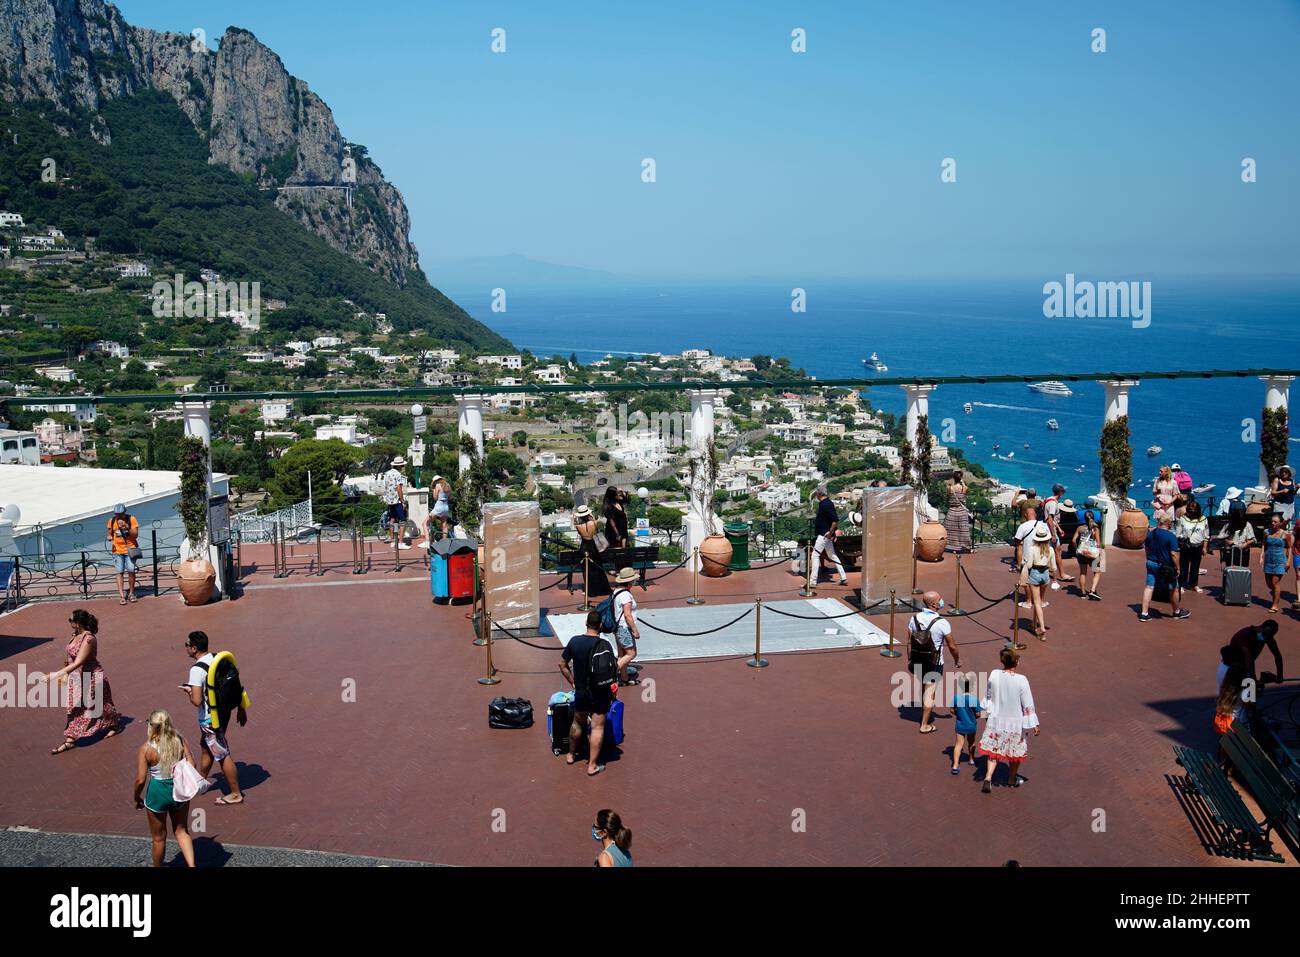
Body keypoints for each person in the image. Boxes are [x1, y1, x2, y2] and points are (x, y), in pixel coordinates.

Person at [183, 631, 245, 805]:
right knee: (206, 748)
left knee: (221, 753)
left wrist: (189, 692)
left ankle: (235, 793)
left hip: (210, 718)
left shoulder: (196, 670)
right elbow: (235, 684)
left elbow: (196, 701)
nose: (186, 648)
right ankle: (200, 782)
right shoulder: (218, 658)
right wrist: (241, 707)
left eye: (187, 645)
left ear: (194, 648)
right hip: (223, 712)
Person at [49, 609, 123, 754]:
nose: (68, 622)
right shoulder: (75, 635)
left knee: (101, 706)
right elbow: (71, 657)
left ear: (77, 623)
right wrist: (65, 672)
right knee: (73, 707)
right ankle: (70, 739)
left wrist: (55, 675)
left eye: (70, 620)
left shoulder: (89, 639)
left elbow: (79, 662)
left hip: (91, 677)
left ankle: (114, 725)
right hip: (76, 678)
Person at [133, 709, 197, 867]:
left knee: (158, 838)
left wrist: (136, 797)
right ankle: (192, 865)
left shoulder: (146, 749)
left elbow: (140, 780)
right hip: (178, 790)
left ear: (151, 726)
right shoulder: (179, 740)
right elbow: (192, 764)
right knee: (182, 831)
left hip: (157, 793)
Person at [558, 609, 615, 777]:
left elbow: (562, 664)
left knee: (577, 723)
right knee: (597, 728)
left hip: (581, 691)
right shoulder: (605, 645)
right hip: (600, 692)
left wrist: (573, 682)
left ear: (586, 623)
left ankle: (570, 755)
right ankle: (592, 765)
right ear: (601, 626)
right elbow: (611, 670)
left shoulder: (575, 642)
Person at [978, 647, 1040, 793]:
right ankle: (1011, 780)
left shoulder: (994, 674)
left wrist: (986, 712)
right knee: (1015, 754)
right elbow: (1027, 703)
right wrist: (1034, 723)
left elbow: (989, 697)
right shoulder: (1022, 680)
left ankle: (988, 777)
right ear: (1016, 661)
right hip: (1015, 722)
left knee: (994, 750)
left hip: (996, 719)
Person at [907, 590, 961, 734]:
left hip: (918, 659)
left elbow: (909, 642)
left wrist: (910, 659)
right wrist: (957, 660)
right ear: (933, 604)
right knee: (930, 692)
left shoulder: (914, 618)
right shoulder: (942, 623)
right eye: (940, 599)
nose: (942, 601)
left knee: (923, 687)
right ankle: (924, 724)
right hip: (934, 661)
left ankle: (924, 711)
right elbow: (952, 646)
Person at [1140, 516, 1188, 622]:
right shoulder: (1170, 536)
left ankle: (1144, 613)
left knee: (1149, 587)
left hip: (1151, 563)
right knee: (1173, 588)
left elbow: (1146, 547)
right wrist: (1178, 567)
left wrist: (1148, 558)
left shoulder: (1151, 533)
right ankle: (1176, 612)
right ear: (1168, 523)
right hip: (1166, 566)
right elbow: (1174, 554)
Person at [1019, 523, 1058, 640]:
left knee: (1036, 602)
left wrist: (1025, 562)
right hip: (1045, 574)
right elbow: (1053, 567)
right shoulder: (1050, 549)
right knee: (1040, 601)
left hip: (1035, 573)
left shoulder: (1032, 549)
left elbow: (1029, 564)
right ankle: (1034, 623)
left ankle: (1041, 627)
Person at [608, 566, 642, 685]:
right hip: (624, 628)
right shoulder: (626, 595)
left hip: (617, 627)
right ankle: (608, 674)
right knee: (631, 653)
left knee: (622, 654)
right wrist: (635, 630)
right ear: (629, 582)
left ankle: (624, 678)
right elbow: (628, 615)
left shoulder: (616, 591)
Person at [1226, 620, 1285, 687]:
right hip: (1232, 667)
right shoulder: (1245, 635)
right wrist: (1254, 680)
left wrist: (1280, 675)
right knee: (1237, 692)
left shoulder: (1267, 636)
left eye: (1270, 636)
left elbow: (1277, 655)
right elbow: (1249, 659)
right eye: (1265, 634)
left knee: (1252, 692)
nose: (1266, 638)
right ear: (1260, 627)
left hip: (1244, 667)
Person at [810, 486, 848, 587]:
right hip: (826, 535)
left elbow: (834, 520)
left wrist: (830, 533)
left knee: (815, 555)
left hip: (824, 535)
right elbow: (832, 520)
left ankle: (812, 582)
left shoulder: (825, 504)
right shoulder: (827, 503)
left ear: (819, 494)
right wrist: (832, 533)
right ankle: (843, 577)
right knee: (832, 555)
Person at [573, 505, 612, 598]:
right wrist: (592, 517)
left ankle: (591, 591)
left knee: (587, 570)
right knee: (598, 568)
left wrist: (575, 518)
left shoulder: (578, 526)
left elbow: (580, 532)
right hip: (594, 546)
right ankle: (602, 589)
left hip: (584, 547)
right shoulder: (594, 522)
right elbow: (596, 531)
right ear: (588, 514)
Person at [106, 503, 140, 605]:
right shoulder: (112, 521)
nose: (118, 516)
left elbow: (135, 535)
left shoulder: (131, 519)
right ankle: (121, 596)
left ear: (124, 512)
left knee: (131, 571)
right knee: (119, 572)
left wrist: (127, 527)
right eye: (117, 514)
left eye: (120, 514)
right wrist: (109, 537)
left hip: (130, 549)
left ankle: (131, 593)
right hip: (117, 550)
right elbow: (109, 533)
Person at [1174, 499, 1210, 594]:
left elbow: (1206, 535)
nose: (1192, 511)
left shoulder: (1203, 519)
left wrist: (1205, 547)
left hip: (1198, 546)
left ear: (1198, 510)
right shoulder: (1182, 519)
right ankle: (1181, 583)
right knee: (1184, 566)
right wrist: (1183, 538)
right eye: (1190, 509)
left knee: (1195, 566)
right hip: (1186, 546)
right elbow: (1178, 533)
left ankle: (1194, 584)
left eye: (1194, 509)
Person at [1041, 485, 1073, 587]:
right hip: (1050, 530)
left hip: (1050, 529)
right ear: (1060, 492)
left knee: (1049, 551)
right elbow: (1050, 519)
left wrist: (1059, 529)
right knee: (1057, 552)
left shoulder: (1049, 501)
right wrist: (1054, 534)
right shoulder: (1053, 503)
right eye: (1063, 491)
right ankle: (1062, 574)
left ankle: (1047, 572)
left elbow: (1052, 519)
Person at [950, 672, 982, 775]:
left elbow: (951, 710)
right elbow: (978, 714)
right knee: (971, 743)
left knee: (958, 744)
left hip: (960, 724)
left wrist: (958, 713)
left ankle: (955, 765)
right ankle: (971, 759)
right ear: (972, 686)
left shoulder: (956, 698)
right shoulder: (974, 699)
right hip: (971, 725)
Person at [1261, 512, 1292, 614]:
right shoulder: (1266, 532)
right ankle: (1275, 596)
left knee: (1275, 582)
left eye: (1275, 522)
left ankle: (1275, 605)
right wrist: (1261, 556)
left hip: (1279, 561)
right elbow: (1264, 544)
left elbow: (1289, 548)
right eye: (1272, 522)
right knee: (1269, 583)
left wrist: (1288, 561)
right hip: (1268, 559)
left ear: (1281, 523)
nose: (1273, 523)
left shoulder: (1285, 534)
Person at [1071, 509, 1105, 601]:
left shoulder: (1080, 528)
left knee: (1083, 573)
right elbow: (1098, 543)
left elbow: (1073, 541)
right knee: (1097, 572)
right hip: (1092, 554)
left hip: (1082, 553)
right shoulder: (1095, 528)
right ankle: (1092, 590)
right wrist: (1101, 552)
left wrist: (1076, 549)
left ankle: (1082, 593)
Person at [381, 456, 410, 549]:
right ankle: (400, 543)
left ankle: (392, 540)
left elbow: (385, 486)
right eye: (402, 465)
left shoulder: (387, 473)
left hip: (389, 500)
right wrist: (402, 501)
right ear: (400, 465)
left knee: (392, 519)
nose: (402, 467)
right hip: (397, 500)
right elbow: (399, 488)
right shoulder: (398, 475)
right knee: (402, 521)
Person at [943, 471, 972, 552]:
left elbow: (948, 496)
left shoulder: (949, 488)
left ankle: (952, 547)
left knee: (950, 531)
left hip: (952, 511)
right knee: (963, 531)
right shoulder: (964, 488)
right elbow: (966, 489)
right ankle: (965, 546)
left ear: (953, 478)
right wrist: (962, 482)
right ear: (961, 478)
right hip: (962, 512)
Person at [1011, 500, 1039, 573]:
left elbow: (1013, 505)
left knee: (1019, 545)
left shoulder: (1023, 502)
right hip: (1037, 528)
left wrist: (1016, 495)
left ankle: (1019, 565)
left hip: (1025, 528)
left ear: (1025, 515)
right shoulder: (1038, 502)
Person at [426, 474, 451, 542]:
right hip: (446, 506)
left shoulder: (437, 486)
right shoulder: (448, 485)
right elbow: (450, 497)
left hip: (439, 505)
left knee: (426, 523)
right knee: (444, 524)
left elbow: (435, 497)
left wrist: (433, 490)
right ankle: (444, 542)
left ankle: (427, 541)